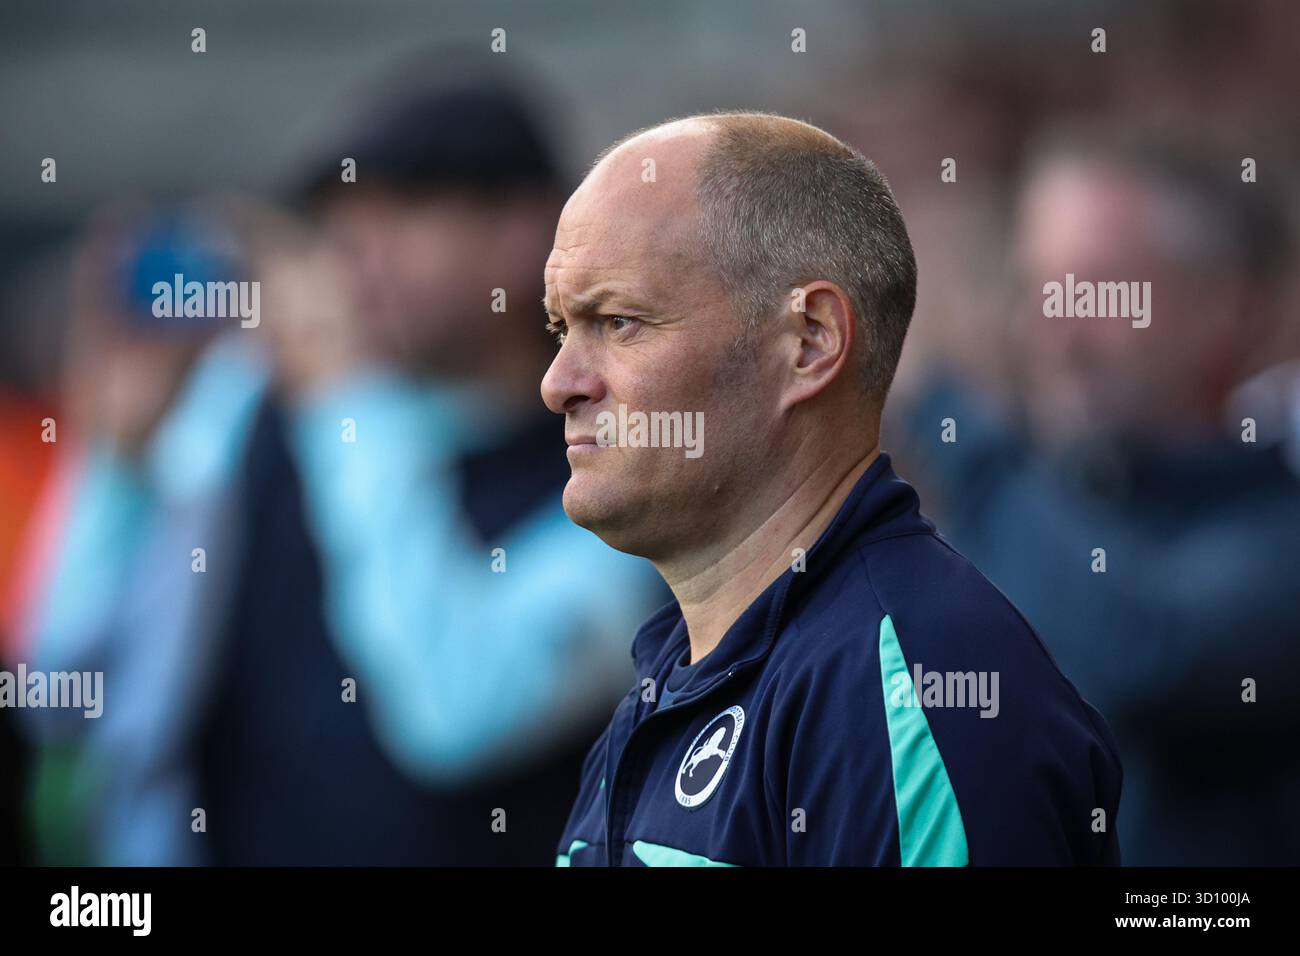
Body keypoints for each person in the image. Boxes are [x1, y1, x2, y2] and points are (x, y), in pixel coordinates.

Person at [542, 111, 1122, 866]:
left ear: (810, 341)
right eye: (561, 329)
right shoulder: (671, 683)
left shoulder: (913, 690)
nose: (559, 385)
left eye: (619, 322)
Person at [889, 125, 1300, 865]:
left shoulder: (1276, 535)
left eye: (1096, 289)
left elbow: (1148, 652)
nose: (1055, 333)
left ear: (1223, 306)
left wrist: (954, 418)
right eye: (1037, 290)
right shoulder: (1022, 515)